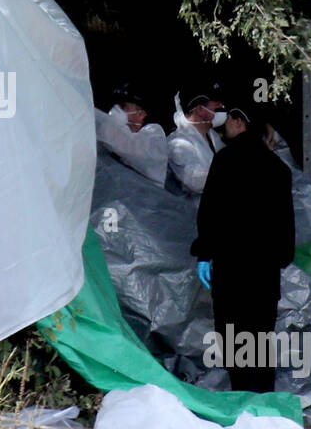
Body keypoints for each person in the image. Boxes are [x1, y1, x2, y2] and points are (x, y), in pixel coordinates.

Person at [190, 106, 296, 392]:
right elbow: (286, 224)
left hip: (231, 267)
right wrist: (279, 258)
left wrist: (204, 253)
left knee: (233, 336)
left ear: (240, 123)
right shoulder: (278, 168)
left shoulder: (225, 159)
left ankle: (241, 397)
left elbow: (210, 211)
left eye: (229, 121)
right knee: (261, 336)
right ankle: (263, 399)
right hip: (264, 270)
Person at [94, 84, 169, 185]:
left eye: (123, 107)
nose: (115, 110)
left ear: (141, 114)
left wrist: (104, 123)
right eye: (115, 105)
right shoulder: (110, 141)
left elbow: (131, 146)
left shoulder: (155, 135)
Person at [167, 91, 226, 194]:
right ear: (200, 110)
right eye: (217, 107)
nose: (223, 108)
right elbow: (194, 181)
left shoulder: (212, 136)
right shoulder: (178, 143)